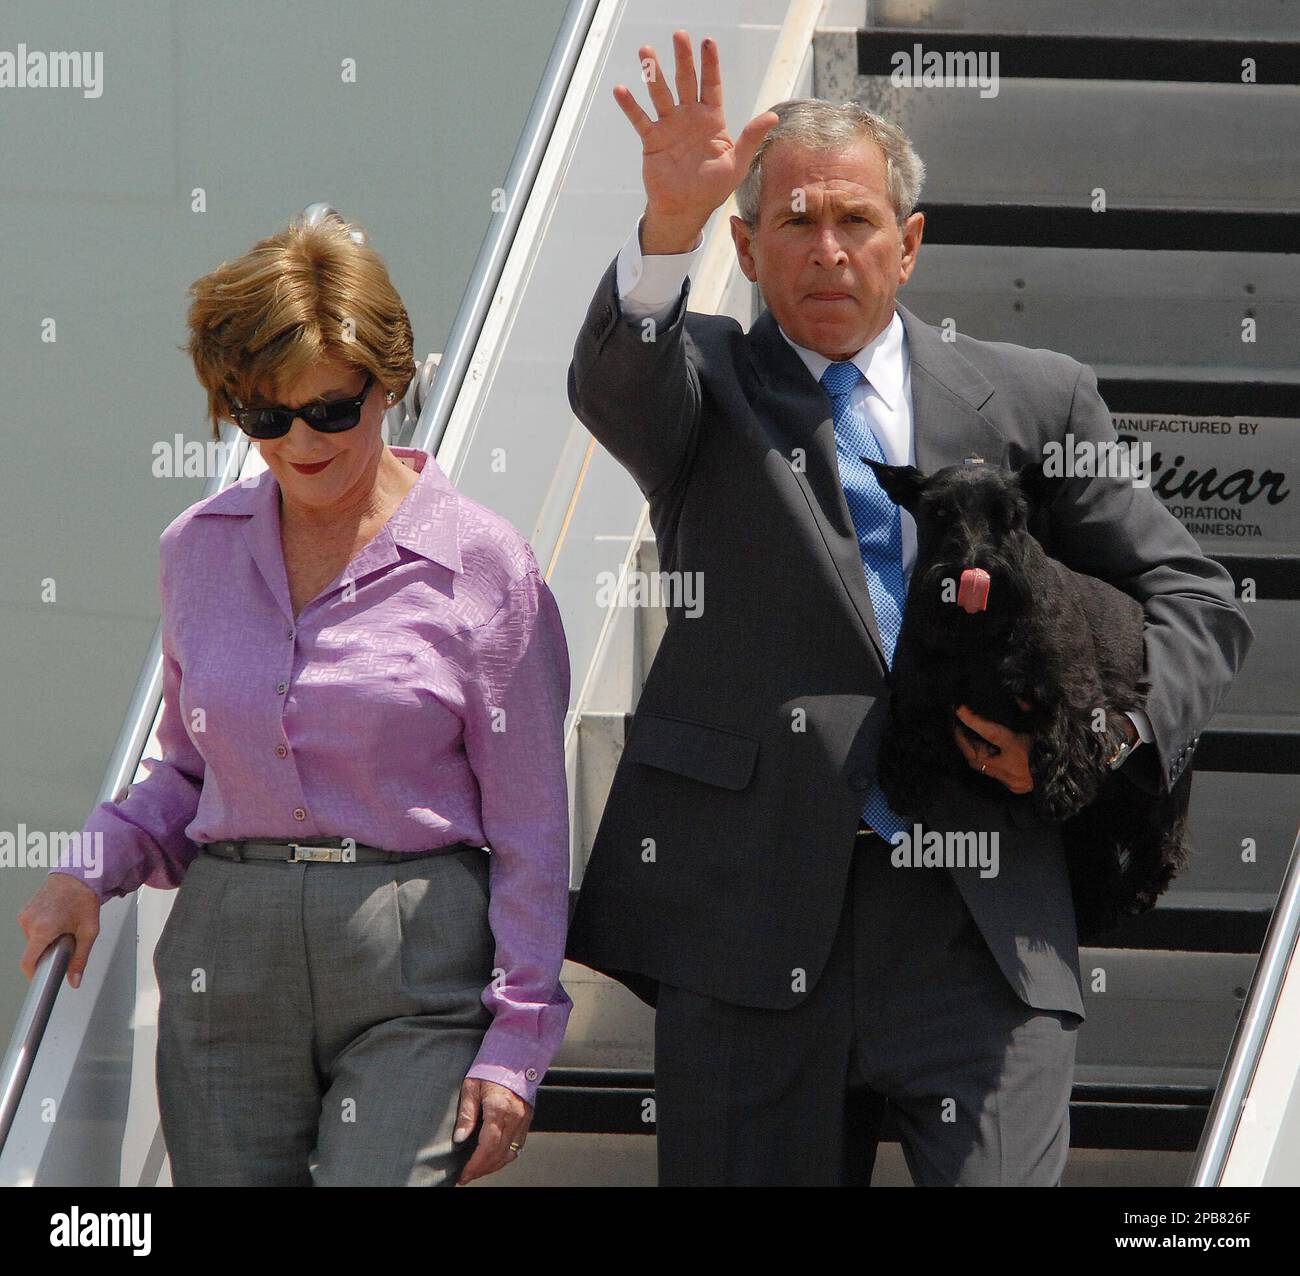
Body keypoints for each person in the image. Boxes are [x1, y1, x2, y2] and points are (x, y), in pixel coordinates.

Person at [564, 29, 1253, 1185]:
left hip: (981, 924)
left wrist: (1099, 739)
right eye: (792, 222)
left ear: (909, 243)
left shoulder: (1038, 395)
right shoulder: (705, 383)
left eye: (855, 222)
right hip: (750, 921)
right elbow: (617, 380)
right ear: (745, 242)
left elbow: (1193, 596)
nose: (825, 250)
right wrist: (665, 227)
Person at [18, 213, 573, 1187]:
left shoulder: (483, 562)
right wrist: (85, 870)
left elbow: (531, 821)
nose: (297, 441)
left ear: (387, 383)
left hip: (415, 963)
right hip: (226, 957)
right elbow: (187, 777)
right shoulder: (197, 548)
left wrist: (517, 1042)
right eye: (263, 416)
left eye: (328, 410)